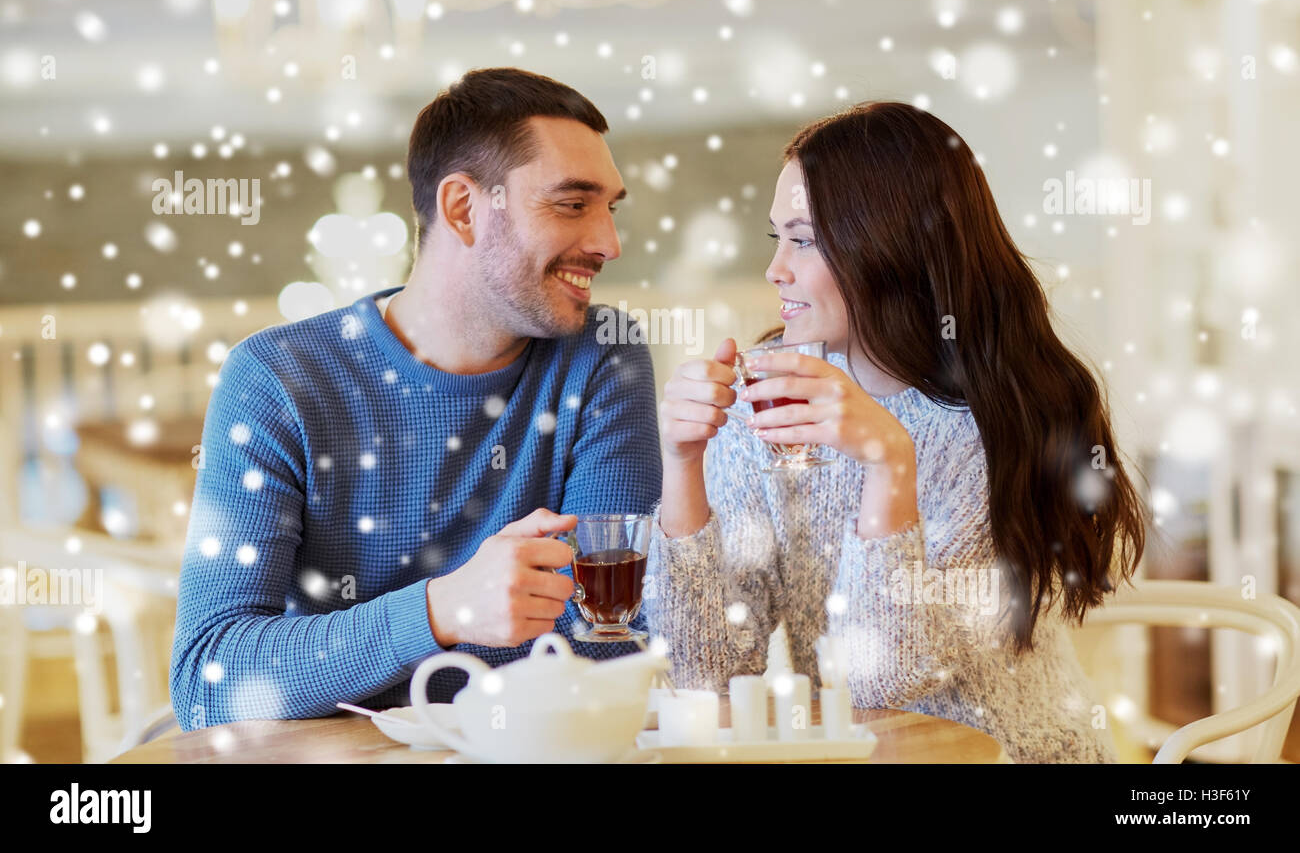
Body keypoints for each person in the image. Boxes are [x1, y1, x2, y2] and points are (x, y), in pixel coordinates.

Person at [645, 101, 1147, 763]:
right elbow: (702, 673)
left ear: (886, 243)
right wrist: (682, 463)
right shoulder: (767, 401)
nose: (776, 271)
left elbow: (885, 682)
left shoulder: (1003, 416)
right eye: (778, 237)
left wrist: (890, 464)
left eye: (804, 239)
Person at [171, 68, 661, 730]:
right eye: (573, 204)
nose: (609, 242)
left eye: (611, 208)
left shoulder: (602, 354)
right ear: (463, 208)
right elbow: (209, 680)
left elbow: (606, 638)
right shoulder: (277, 379)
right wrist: (444, 609)